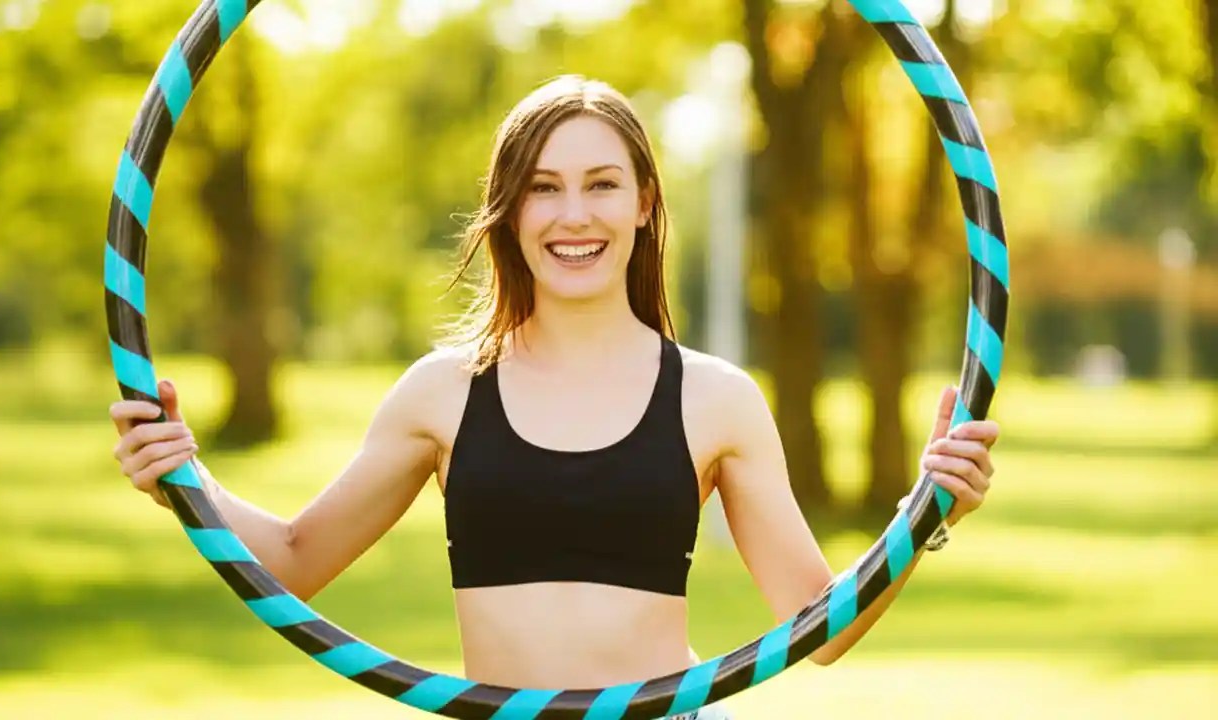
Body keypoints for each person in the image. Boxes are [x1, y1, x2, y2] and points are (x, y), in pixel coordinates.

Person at [109, 75, 999, 720]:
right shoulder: (442, 394)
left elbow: (820, 628)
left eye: (601, 184)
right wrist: (184, 478)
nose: (574, 215)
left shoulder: (715, 402)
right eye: (543, 188)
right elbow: (296, 561)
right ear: (509, 211)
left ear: (645, 203)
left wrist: (929, 511)